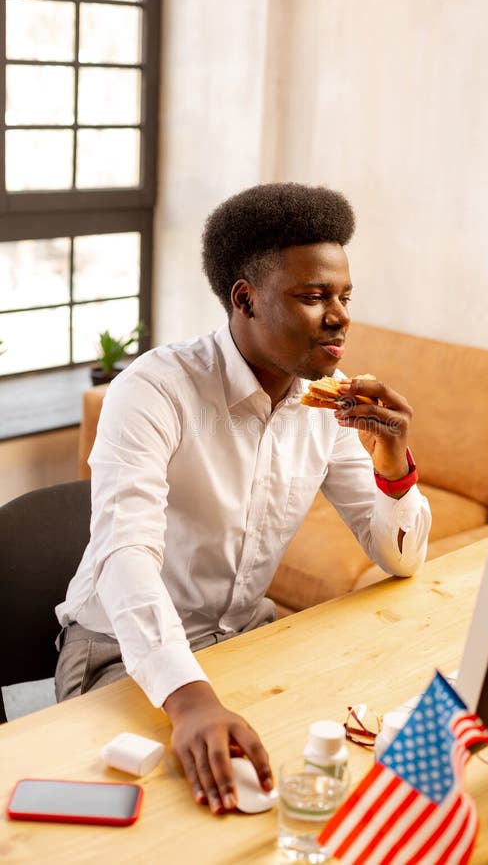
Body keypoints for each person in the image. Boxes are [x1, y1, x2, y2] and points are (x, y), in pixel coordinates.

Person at [55, 182, 431, 815]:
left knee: (334, 767)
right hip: (120, 648)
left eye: (343, 296)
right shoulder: (153, 392)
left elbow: (399, 559)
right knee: (181, 818)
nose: (338, 315)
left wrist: (392, 463)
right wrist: (191, 698)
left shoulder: (324, 402)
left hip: (243, 635)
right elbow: (125, 555)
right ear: (245, 299)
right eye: (313, 296)